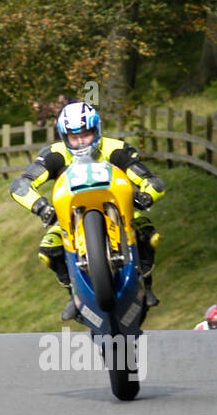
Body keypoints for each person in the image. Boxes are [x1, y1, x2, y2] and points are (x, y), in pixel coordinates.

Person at [10, 100, 166, 321]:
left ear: (97, 130)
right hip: (68, 218)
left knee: (150, 235)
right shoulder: (54, 154)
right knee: (47, 251)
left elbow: (150, 179)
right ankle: (73, 295)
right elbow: (21, 185)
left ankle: (146, 285)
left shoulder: (116, 149)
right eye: (74, 137)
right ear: (65, 137)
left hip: (120, 212)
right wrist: (41, 207)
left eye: (86, 134)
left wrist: (145, 194)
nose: (81, 141)